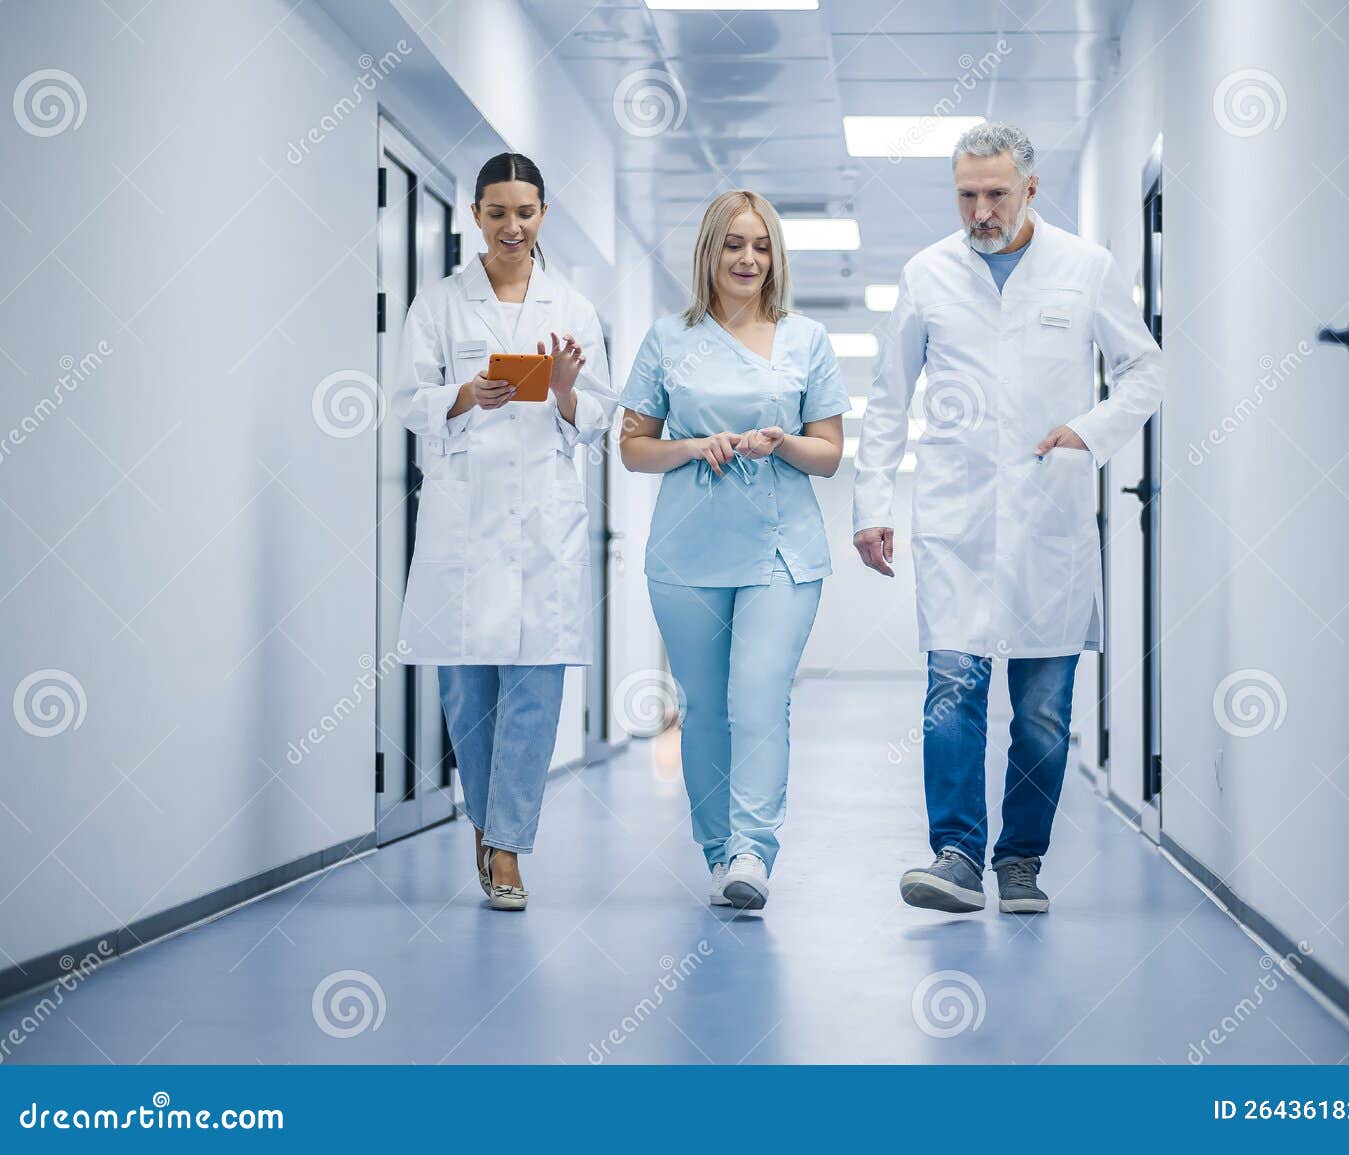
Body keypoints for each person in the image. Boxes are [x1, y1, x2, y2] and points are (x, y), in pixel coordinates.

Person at [852, 122, 1164, 915]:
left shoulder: (1084, 268)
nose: (980, 210)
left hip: (1047, 518)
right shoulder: (927, 274)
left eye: (995, 193)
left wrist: (1086, 434)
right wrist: (873, 506)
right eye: (967, 194)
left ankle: (1020, 859)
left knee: (1043, 712)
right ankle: (955, 855)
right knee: (951, 689)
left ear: (1030, 188)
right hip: (956, 519)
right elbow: (889, 398)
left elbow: (1144, 369)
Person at [389, 152, 617, 912]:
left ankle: (510, 849)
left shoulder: (573, 309)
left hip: (543, 528)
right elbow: (405, 399)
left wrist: (563, 393)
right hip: (465, 521)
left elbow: (603, 420)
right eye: (496, 212)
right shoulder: (439, 304)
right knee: (470, 694)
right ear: (475, 216)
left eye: (525, 212)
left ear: (543, 214)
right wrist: (461, 395)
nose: (511, 226)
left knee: (535, 691)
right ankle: (487, 825)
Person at [617, 189, 848, 911]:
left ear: (776, 256)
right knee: (705, 708)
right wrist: (690, 446)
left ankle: (752, 849)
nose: (748, 258)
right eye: (733, 244)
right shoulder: (667, 340)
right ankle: (719, 852)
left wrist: (783, 442)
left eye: (761, 245)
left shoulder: (806, 339)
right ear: (708, 252)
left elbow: (830, 453)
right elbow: (632, 448)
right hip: (688, 550)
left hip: (781, 550)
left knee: (758, 696)